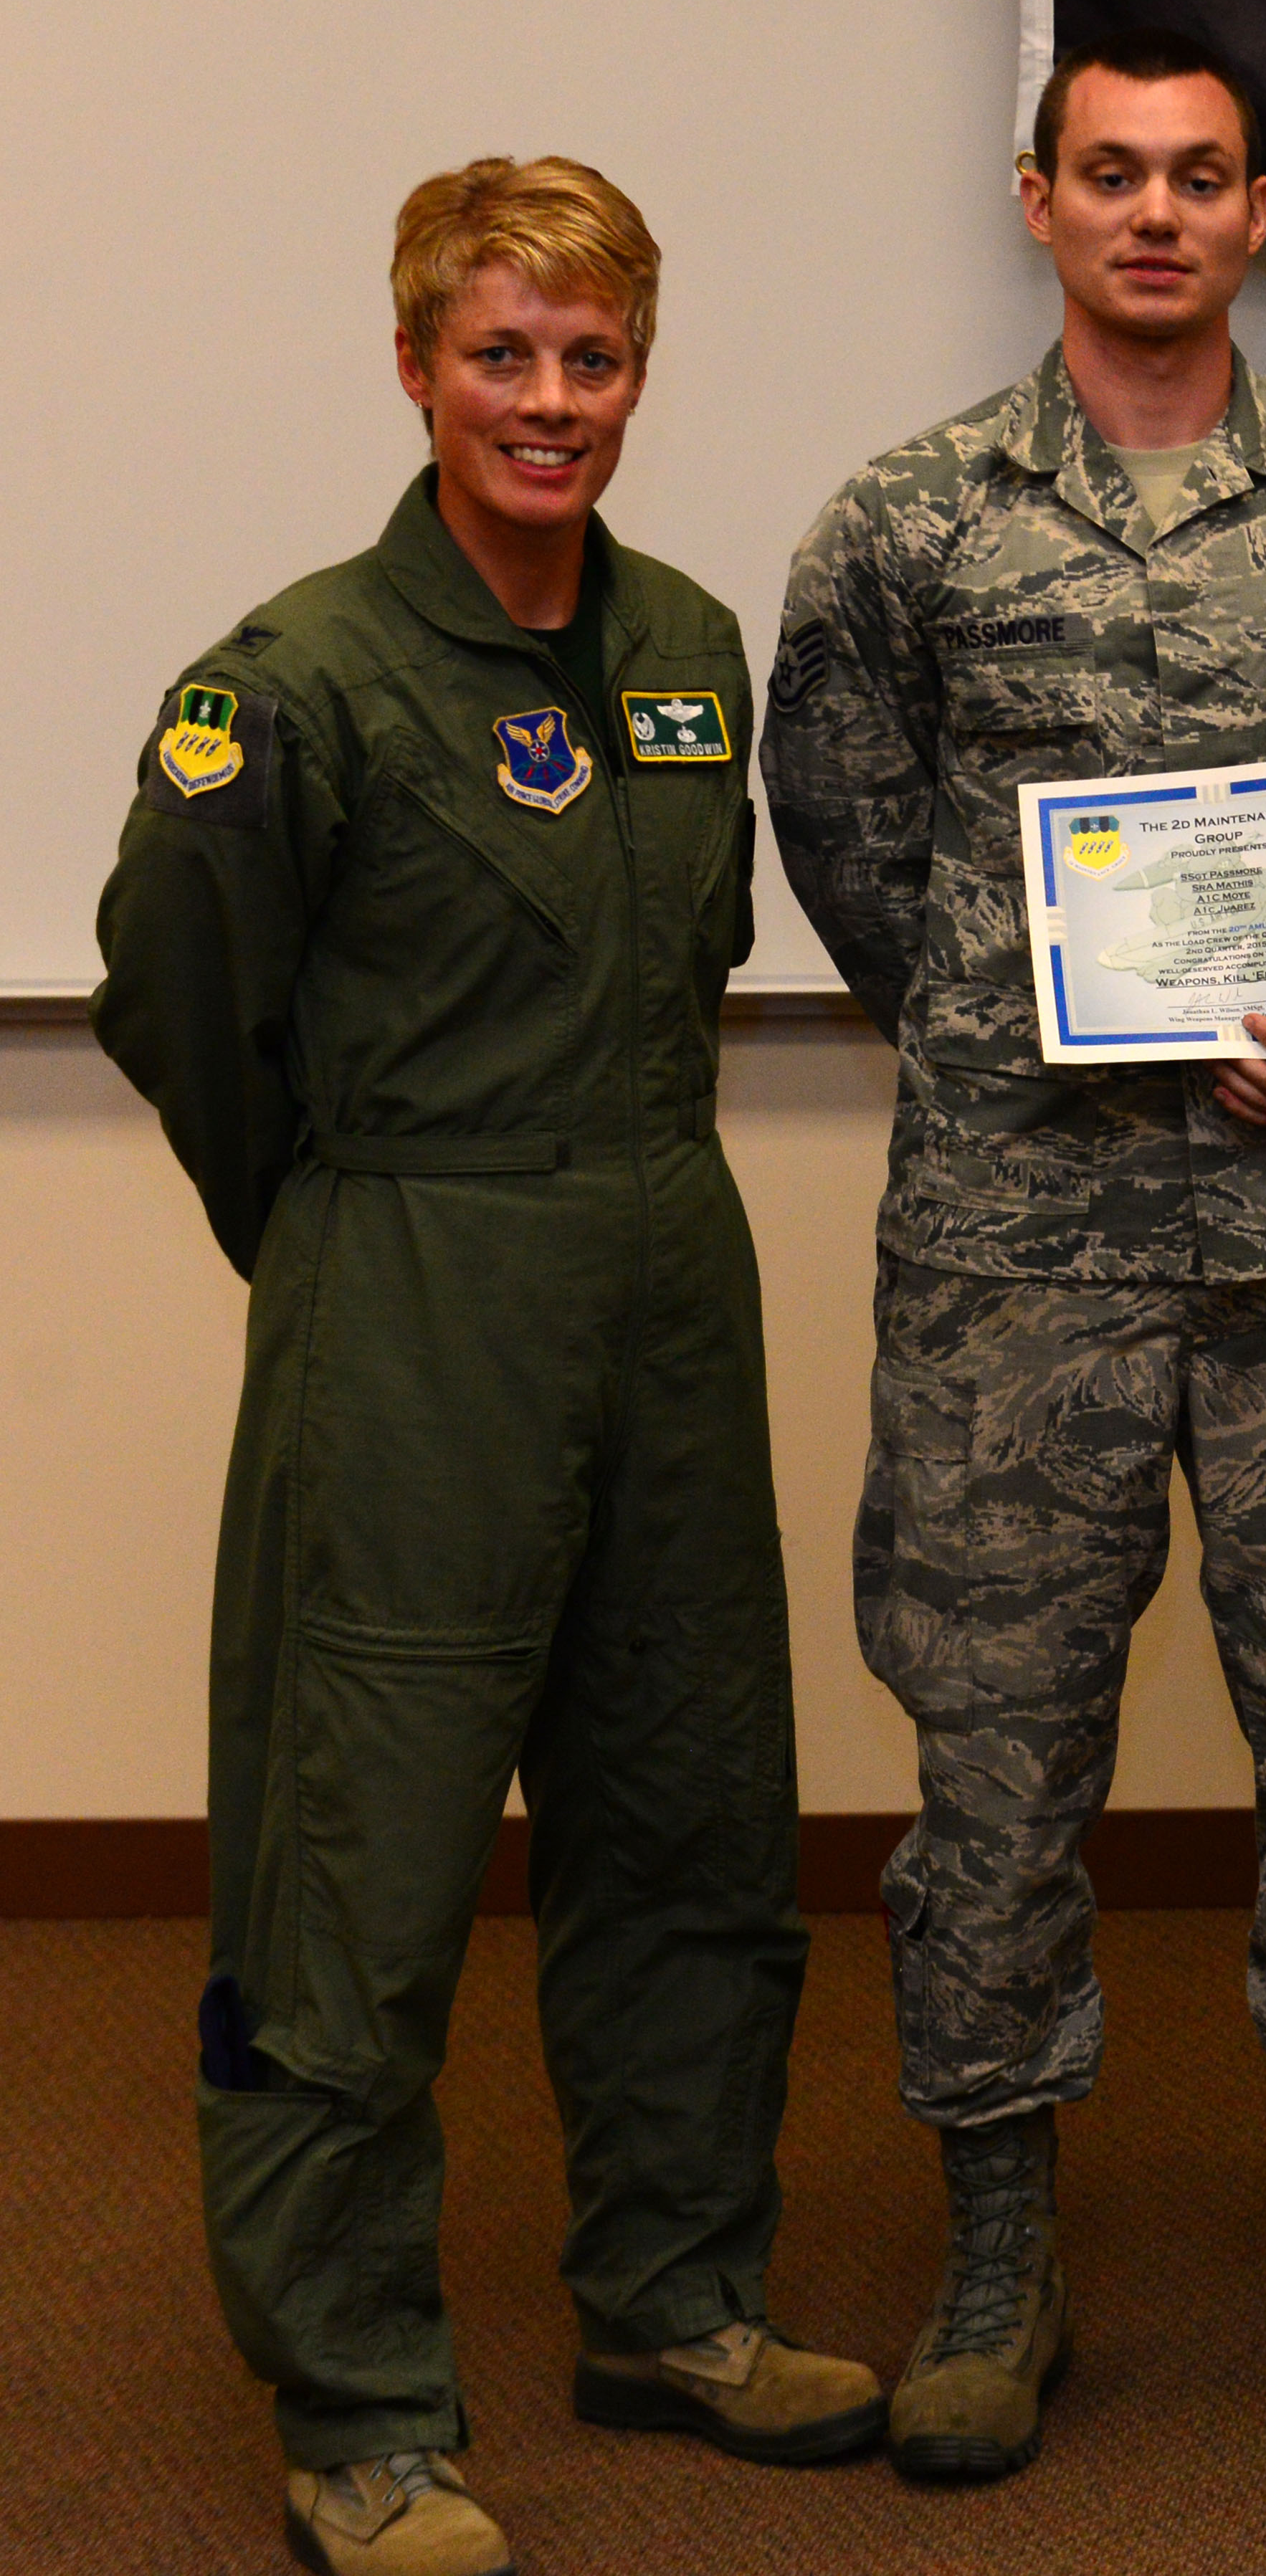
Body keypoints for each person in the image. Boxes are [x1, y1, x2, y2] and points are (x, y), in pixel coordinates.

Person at [96, 158, 882, 2576]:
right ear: (418, 366)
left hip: (666, 1268)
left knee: (693, 1823)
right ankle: (355, 2403)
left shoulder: (682, 645)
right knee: (365, 1871)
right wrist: (350, 1244)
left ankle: (672, 2302)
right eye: (502, 355)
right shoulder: (296, 678)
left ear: (638, 372)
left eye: (593, 357)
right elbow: (186, 1009)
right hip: (418, 1294)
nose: (550, 402)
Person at [766, 29, 1266, 2480]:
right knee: (993, 1772)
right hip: (1016, 1260)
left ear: (1261, 210)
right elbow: (860, 853)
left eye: (1201, 176)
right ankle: (999, 2252)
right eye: (1113, 175)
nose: (1157, 215)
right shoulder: (906, 526)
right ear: (1039, 201)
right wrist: (1044, 1033)